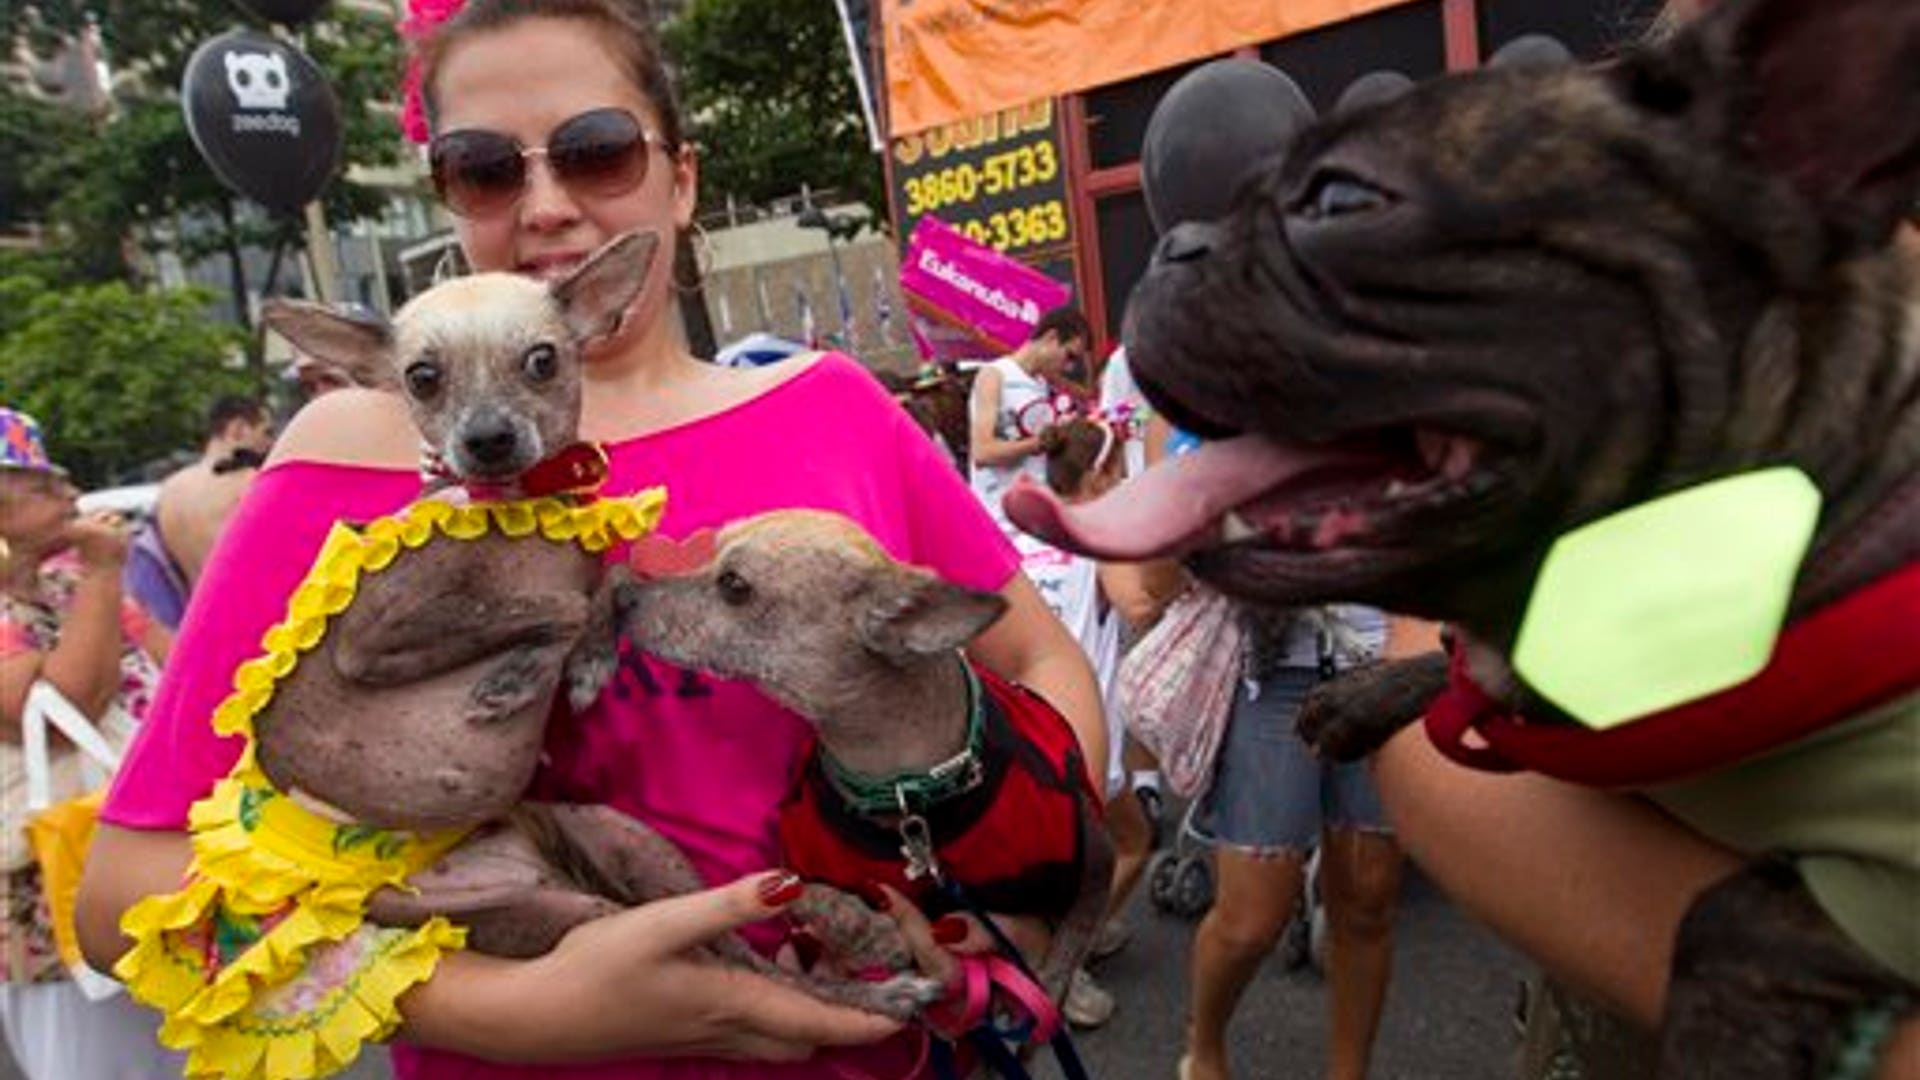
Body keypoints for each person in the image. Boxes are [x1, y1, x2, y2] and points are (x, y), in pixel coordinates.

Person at [74, 3, 1104, 1078]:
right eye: (484, 169)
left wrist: (1021, 889)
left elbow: (1039, 662)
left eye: (598, 151)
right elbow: (121, 901)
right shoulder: (345, 453)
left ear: (684, 179)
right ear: (446, 199)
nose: (548, 204)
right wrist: (498, 1010)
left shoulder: (833, 409)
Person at [0, 407, 182, 1080]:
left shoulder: (62, 581)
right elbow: (56, 711)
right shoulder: (87, 577)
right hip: (52, 895)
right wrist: (105, 572)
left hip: (137, 861)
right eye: (45, 485)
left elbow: (181, 667)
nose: (73, 494)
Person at [1180, 606, 1419, 1080]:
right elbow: (1156, 579)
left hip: (1390, 661)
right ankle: (1203, 1045)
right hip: (1276, 673)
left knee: (1367, 902)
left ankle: (1349, 1074)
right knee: (1250, 921)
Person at [1034, 415, 1175, 1028]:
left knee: (1050, 851)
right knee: (1133, 842)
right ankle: (1063, 964)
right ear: (1100, 477)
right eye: (1121, 472)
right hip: (1083, 723)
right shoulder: (1095, 534)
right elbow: (1140, 602)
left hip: (1019, 722)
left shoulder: (1017, 529)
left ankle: (1073, 934)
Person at [130, 395, 273, 632]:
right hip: (254, 624)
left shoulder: (170, 489)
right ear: (238, 429)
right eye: (265, 432)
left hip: (198, 629)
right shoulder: (251, 483)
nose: (269, 443)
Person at [967, 306, 1092, 542]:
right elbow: (982, 452)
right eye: (1069, 356)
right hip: (1001, 522)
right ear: (1051, 338)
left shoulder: (1045, 383)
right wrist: (1039, 443)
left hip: (1037, 519)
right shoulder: (994, 375)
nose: (1068, 367)